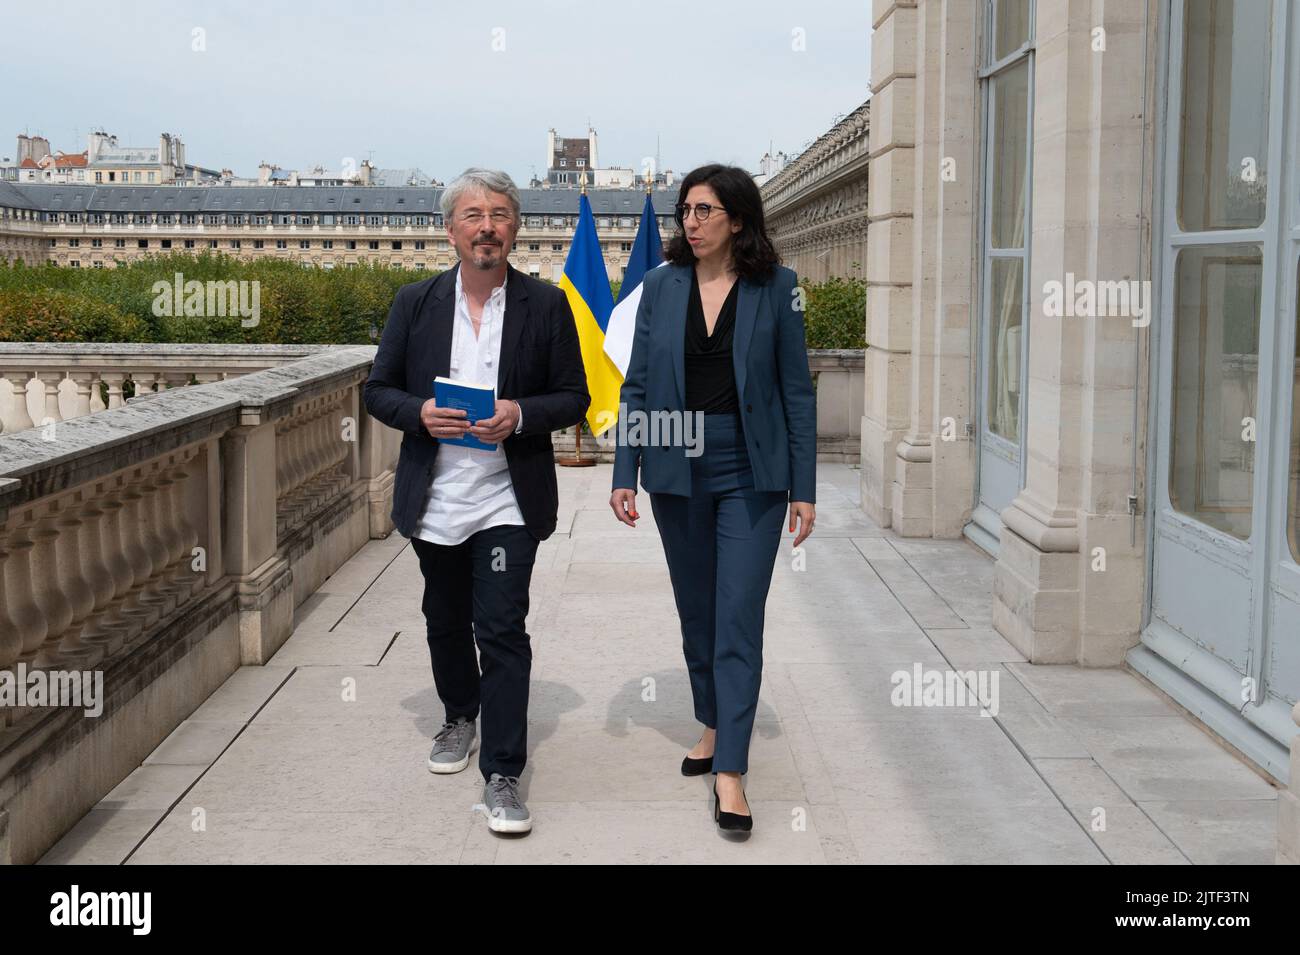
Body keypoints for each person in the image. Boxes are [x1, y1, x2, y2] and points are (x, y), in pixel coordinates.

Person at [364, 168, 589, 834]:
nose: (486, 225)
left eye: (498, 214)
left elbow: (574, 396)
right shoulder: (415, 301)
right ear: (450, 228)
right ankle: (460, 711)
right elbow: (379, 389)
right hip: (436, 495)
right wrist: (420, 412)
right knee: (443, 616)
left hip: (508, 496)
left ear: (515, 227)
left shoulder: (546, 306)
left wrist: (519, 413)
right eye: (472, 214)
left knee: (500, 626)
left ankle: (503, 771)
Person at [610, 163, 816, 834]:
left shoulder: (778, 287)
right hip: (675, 463)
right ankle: (711, 721)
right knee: (697, 611)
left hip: (752, 470)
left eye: (703, 211)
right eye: (685, 211)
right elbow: (636, 386)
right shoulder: (659, 285)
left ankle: (731, 767)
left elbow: (796, 392)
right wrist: (624, 468)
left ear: (736, 218)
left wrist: (804, 489)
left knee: (737, 614)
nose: (690, 222)